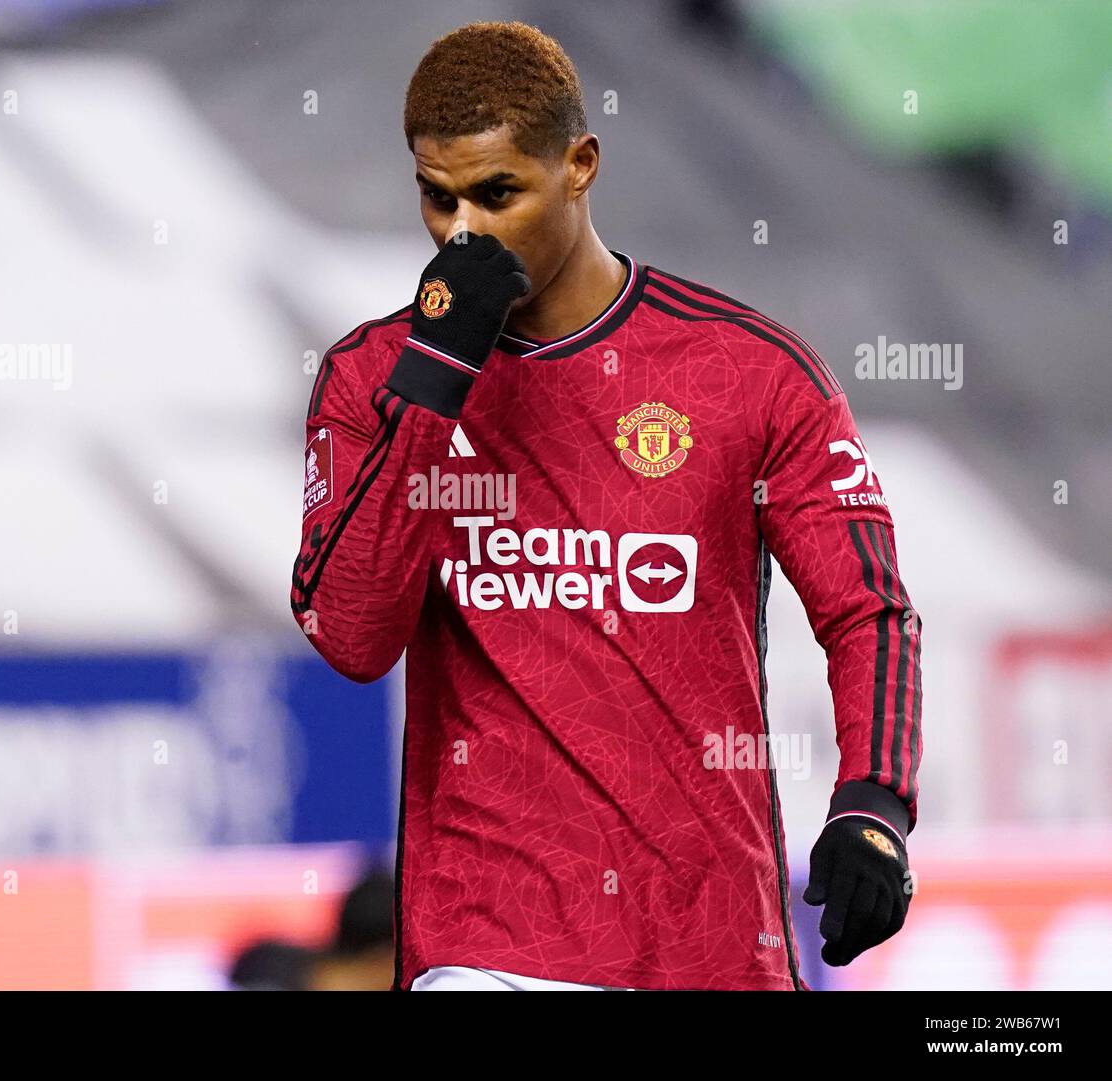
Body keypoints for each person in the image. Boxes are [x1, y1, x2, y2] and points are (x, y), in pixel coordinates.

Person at [290, 20, 922, 991]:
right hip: (488, 948)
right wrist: (432, 386)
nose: (464, 233)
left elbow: (865, 608)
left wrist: (872, 803)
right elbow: (351, 633)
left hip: (707, 941)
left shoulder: (748, 371)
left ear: (579, 165)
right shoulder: (374, 376)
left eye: (498, 194)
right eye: (438, 196)